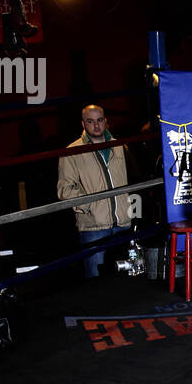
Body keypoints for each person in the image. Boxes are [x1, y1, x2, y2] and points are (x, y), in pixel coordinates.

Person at [57, 105, 131, 279]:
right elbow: (64, 190)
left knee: (127, 282)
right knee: (96, 282)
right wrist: (91, 206)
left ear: (105, 121)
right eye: (90, 121)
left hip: (123, 223)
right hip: (93, 227)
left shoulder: (119, 146)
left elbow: (131, 180)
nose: (96, 126)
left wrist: (130, 209)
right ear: (83, 124)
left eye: (99, 120)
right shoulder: (72, 152)